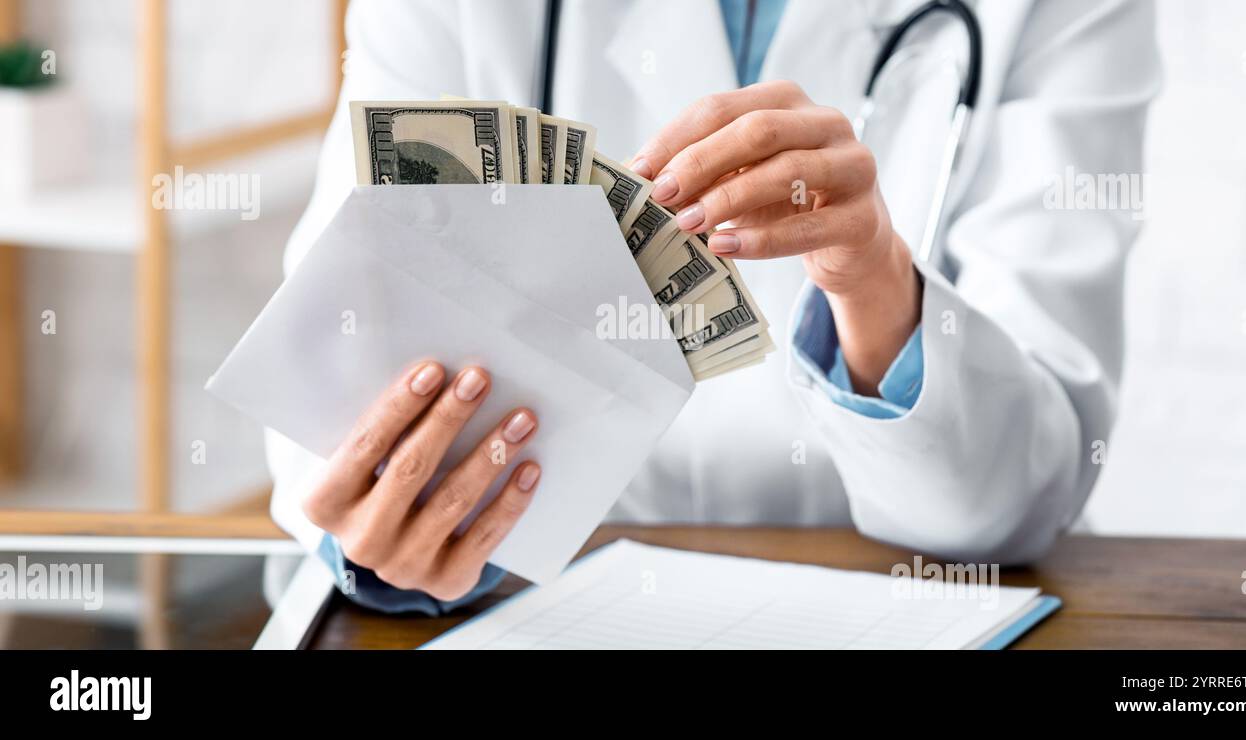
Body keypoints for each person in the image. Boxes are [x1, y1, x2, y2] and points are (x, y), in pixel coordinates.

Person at [265, 0, 1160, 613]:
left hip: (905, 598)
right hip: (540, 590)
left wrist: (874, 275)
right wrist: (396, 537)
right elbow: (330, 373)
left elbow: (1016, 493)